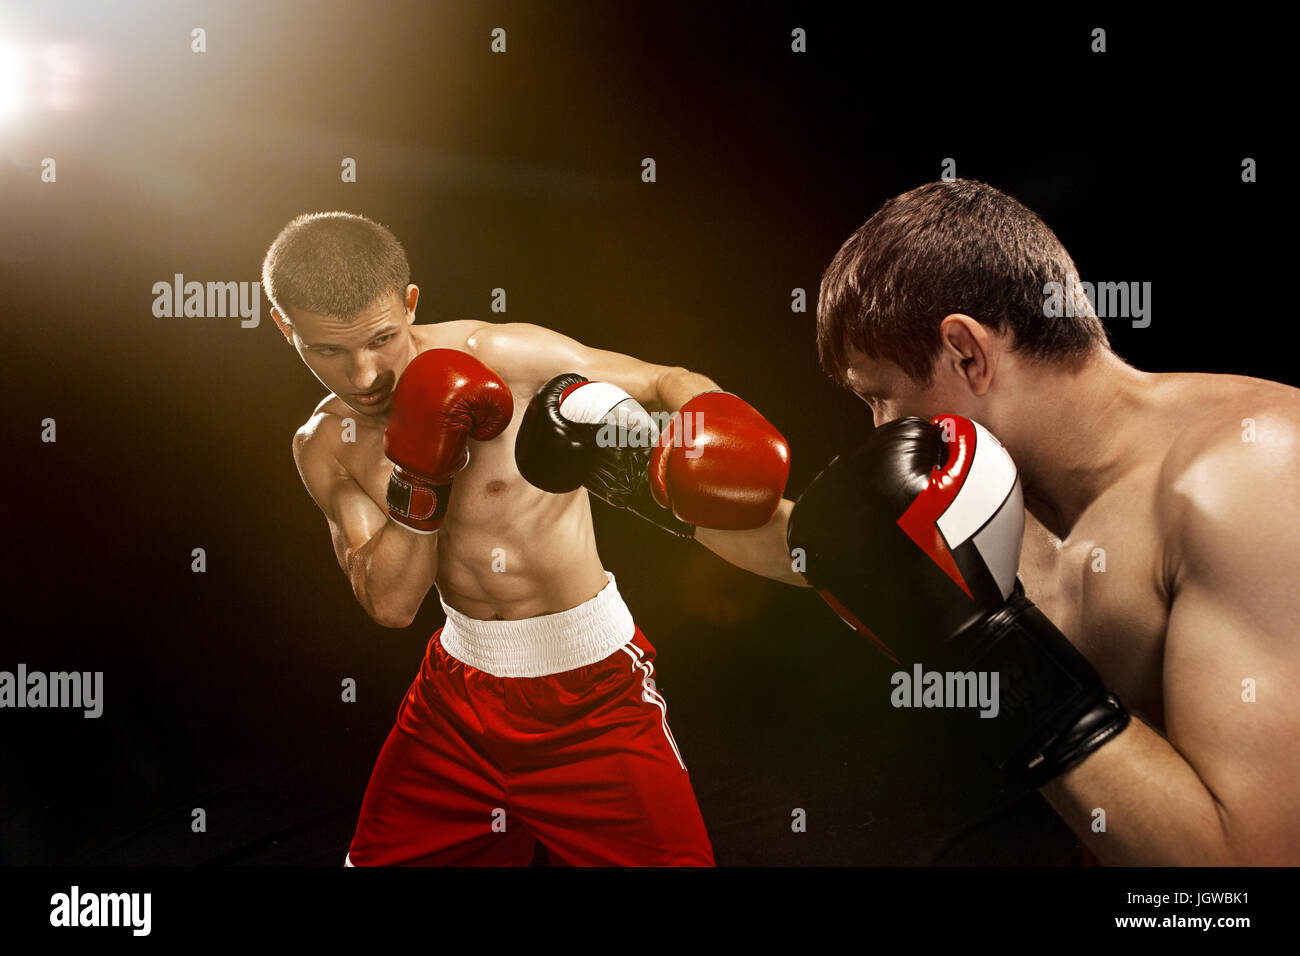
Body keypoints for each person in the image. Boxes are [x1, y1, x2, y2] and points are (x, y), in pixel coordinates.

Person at [785, 179, 1300, 864]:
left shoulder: (1243, 475)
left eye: (881, 400)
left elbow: (1243, 876)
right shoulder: (1002, 505)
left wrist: (999, 651)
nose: (883, 436)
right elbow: (811, 548)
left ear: (967, 351)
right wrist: (655, 479)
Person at [262, 211, 791, 865]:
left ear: (410, 303)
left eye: (381, 339)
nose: (366, 375)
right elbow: (391, 604)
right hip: (455, 702)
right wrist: (421, 475)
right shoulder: (323, 445)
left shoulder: (503, 357)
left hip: (591, 696)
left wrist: (713, 422)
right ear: (286, 329)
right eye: (328, 351)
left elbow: (664, 379)